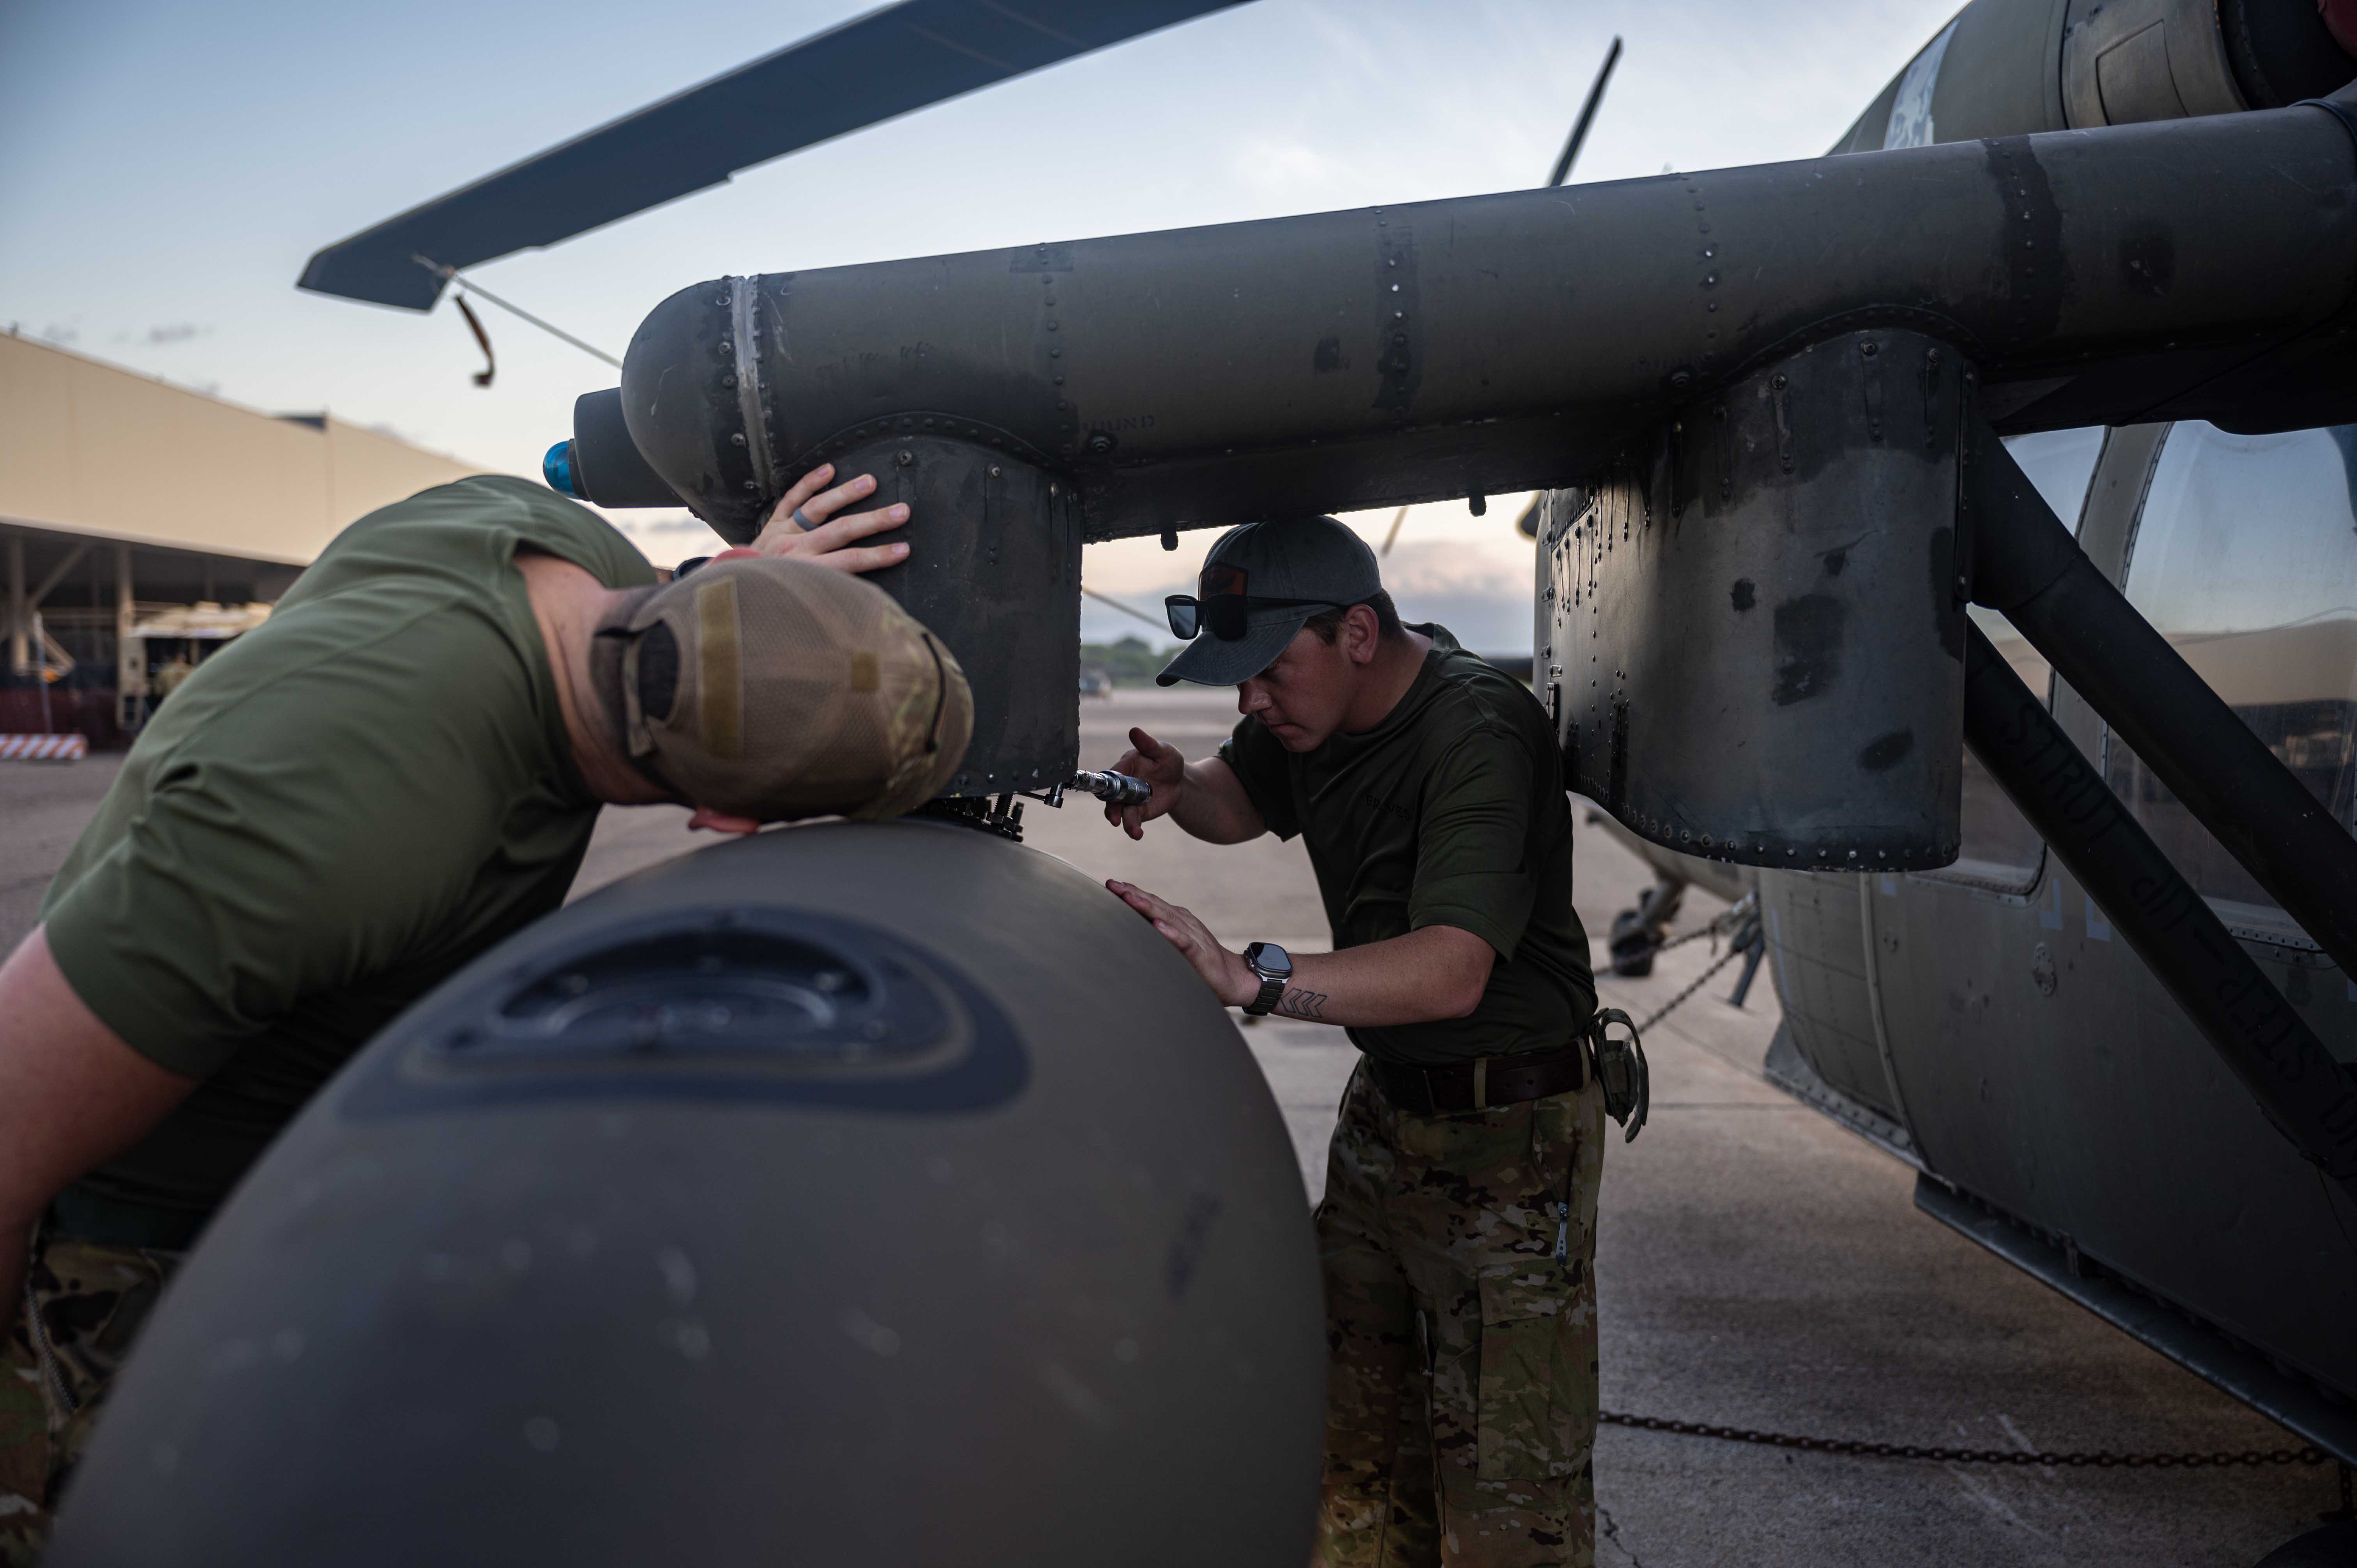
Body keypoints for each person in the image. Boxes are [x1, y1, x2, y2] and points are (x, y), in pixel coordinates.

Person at [0, 462, 970, 1558]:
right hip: (147, 1247)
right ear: (724, 818)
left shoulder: (550, 540)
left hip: (300, 1149)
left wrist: (766, 618)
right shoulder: (317, 838)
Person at [1101, 516, 1603, 1567]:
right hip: (1388, 1126)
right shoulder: (1311, 720)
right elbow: (1242, 799)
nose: (1252, 701)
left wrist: (1255, 979)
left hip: (1507, 1138)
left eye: (1273, 673)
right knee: (1354, 1462)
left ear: (1360, 637)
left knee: (1508, 1501)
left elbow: (1453, 970)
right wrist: (1182, 787)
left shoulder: (1478, 730)